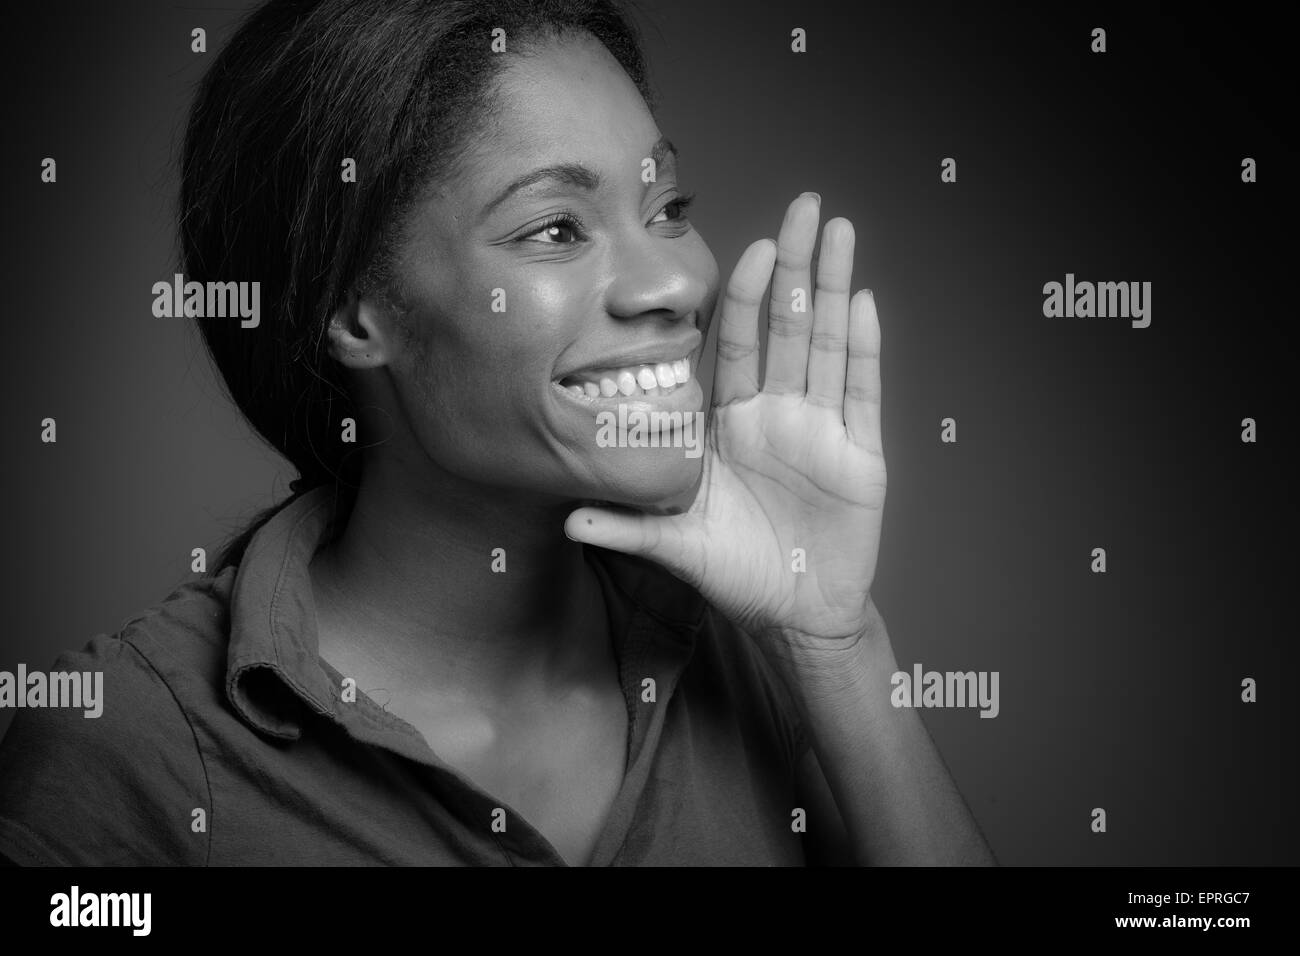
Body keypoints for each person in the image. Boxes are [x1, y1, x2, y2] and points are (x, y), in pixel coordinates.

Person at [0, 0, 995, 866]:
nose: (678, 281)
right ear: (354, 312)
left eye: (666, 205)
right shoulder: (128, 750)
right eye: (556, 228)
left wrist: (834, 643)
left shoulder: (738, 646)